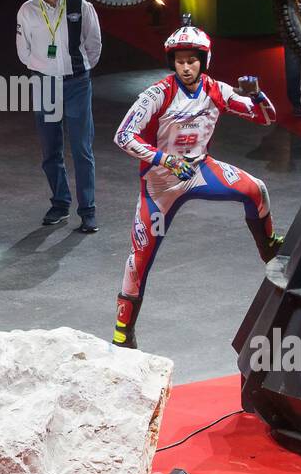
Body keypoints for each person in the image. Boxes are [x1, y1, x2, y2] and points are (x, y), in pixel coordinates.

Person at [110, 20, 282, 350]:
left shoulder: (216, 89)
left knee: (255, 189)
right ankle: (123, 330)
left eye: (192, 60)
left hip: (201, 170)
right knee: (140, 257)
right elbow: (122, 135)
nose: (186, 67)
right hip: (160, 184)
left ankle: (270, 247)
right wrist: (165, 159)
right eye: (180, 61)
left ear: (203, 61)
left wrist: (258, 95)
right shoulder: (157, 94)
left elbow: (266, 118)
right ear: (171, 62)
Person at [16, 0, 102, 232]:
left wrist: (78, 70)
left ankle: (88, 210)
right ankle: (60, 204)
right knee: (50, 149)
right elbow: (23, 50)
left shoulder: (80, 6)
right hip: (45, 84)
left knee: (81, 150)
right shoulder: (27, 11)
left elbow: (93, 44)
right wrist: (45, 68)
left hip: (77, 84)